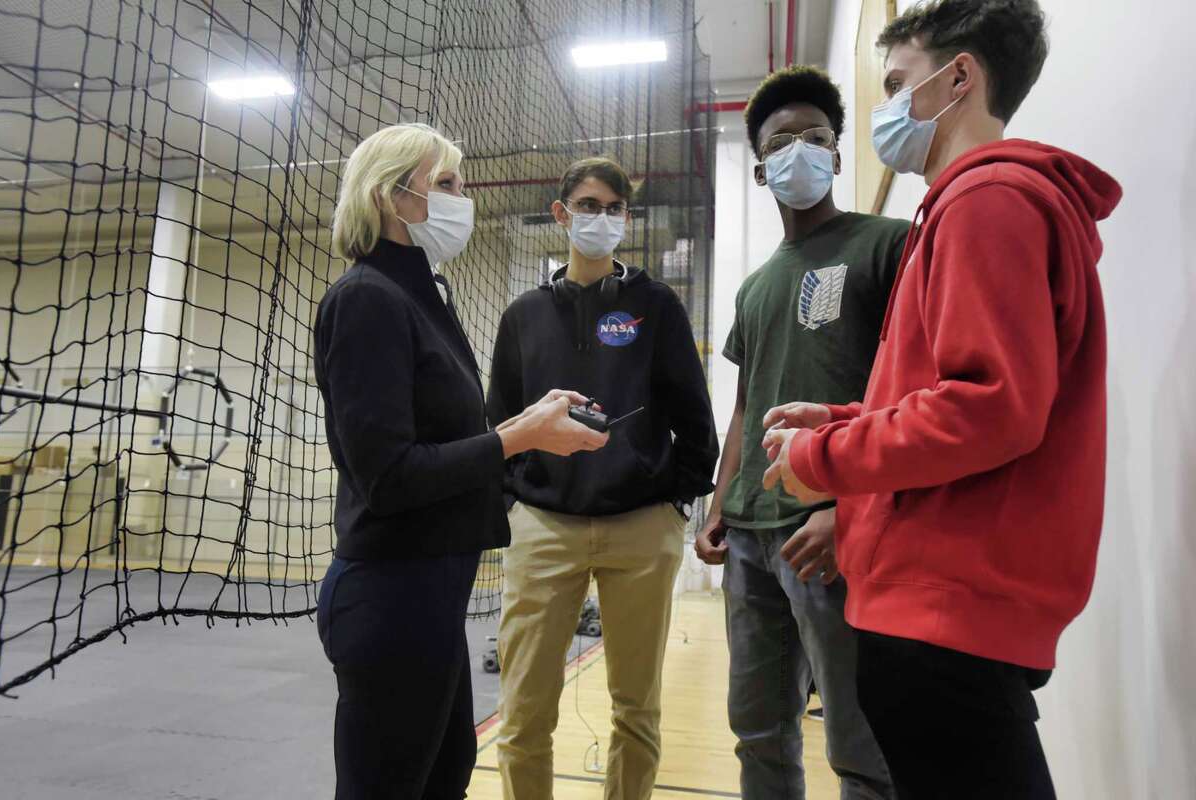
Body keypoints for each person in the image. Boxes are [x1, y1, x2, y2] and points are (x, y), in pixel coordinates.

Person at [761, 2, 1122, 797]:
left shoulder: (986, 203)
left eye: (897, 84)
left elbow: (988, 409)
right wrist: (846, 421)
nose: (886, 109)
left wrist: (822, 459)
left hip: (944, 611)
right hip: (945, 605)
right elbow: (953, 394)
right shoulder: (976, 207)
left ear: (959, 77)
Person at [313, 123, 609, 800]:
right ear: (393, 198)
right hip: (391, 596)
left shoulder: (422, 295)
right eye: (445, 184)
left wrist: (527, 427)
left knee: (444, 774)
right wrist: (517, 437)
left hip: (434, 595)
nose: (461, 199)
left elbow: (443, 446)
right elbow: (388, 478)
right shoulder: (366, 300)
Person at [694, 66, 903, 800]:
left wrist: (848, 507)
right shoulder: (754, 288)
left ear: (839, 155)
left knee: (859, 744)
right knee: (757, 731)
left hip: (831, 534)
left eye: (815, 137)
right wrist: (721, 501)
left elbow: (910, 392)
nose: (799, 150)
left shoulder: (888, 246)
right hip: (750, 536)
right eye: (782, 142)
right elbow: (748, 408)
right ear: (761, 169)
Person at [487, 156, 719, 800]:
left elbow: (693, 416)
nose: (602, 218)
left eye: (615, 208)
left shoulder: (656, 306)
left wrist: (675, 501)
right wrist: (514, 502)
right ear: (562, 215)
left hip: (641, 529)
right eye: (588, 205)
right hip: (544, 527)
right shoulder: (523, 316)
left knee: (635, 710)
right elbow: (499, 421)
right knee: (526, 711)